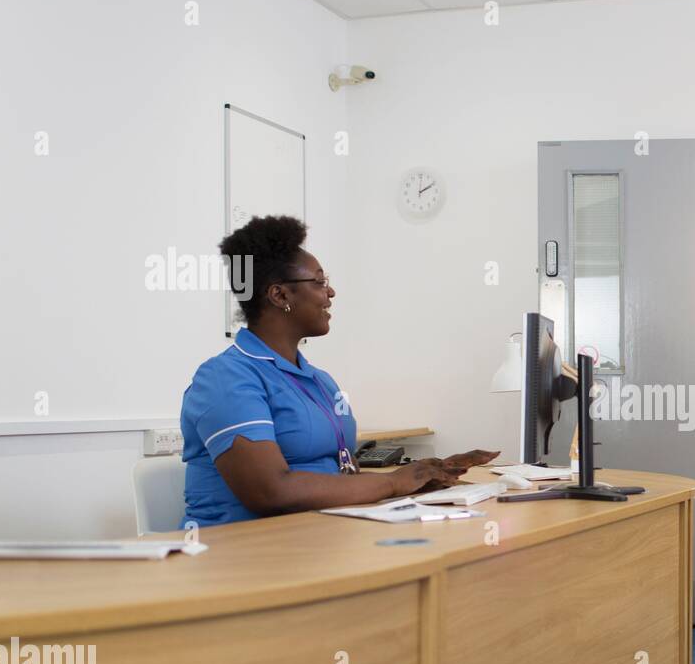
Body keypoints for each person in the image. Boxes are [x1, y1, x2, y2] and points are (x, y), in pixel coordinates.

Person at [182, 215, 493, 527]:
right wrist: (393, 482)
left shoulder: (320, 381)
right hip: (238, 553)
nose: (331, 293)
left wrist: (421, 481)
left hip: (320, 536)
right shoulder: (224, 378)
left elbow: (343, 474)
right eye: (319, 282)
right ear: (280, 295)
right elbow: (269, 492)